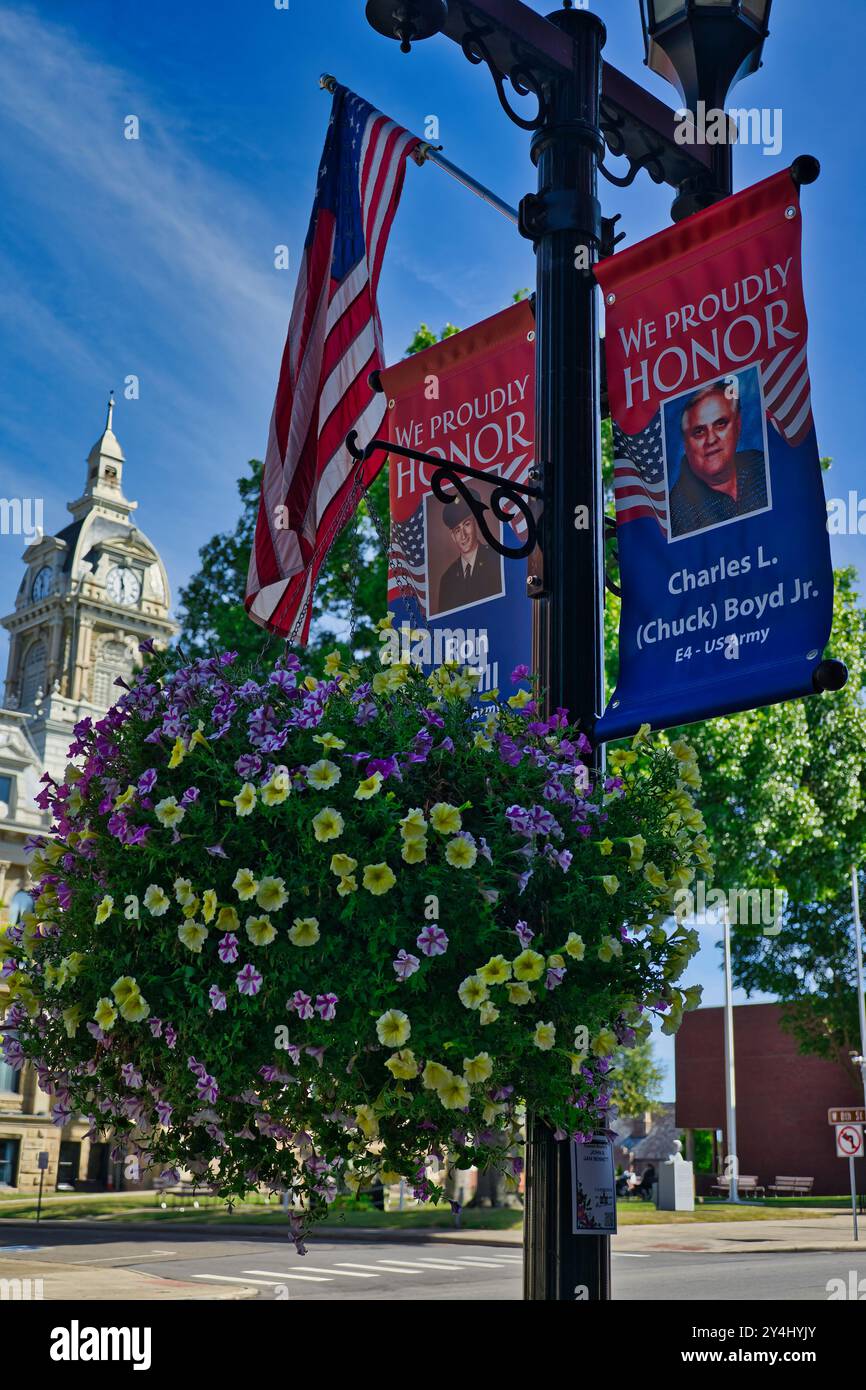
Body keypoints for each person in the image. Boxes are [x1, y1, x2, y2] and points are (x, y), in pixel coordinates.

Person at [669, 380, 768, 539]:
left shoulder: (763, 465)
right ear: (686, 444)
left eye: (720, 424)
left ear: (738, 425)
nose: (711, 439)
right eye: (699, 432)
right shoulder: (675, 512)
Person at [436, 489, 502, 614]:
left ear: (476, 522)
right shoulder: (447, 579)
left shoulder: (497, 559)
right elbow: (443, 625)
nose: (463, 535)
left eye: (466, 524)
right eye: (457, 530)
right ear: (453, 537)